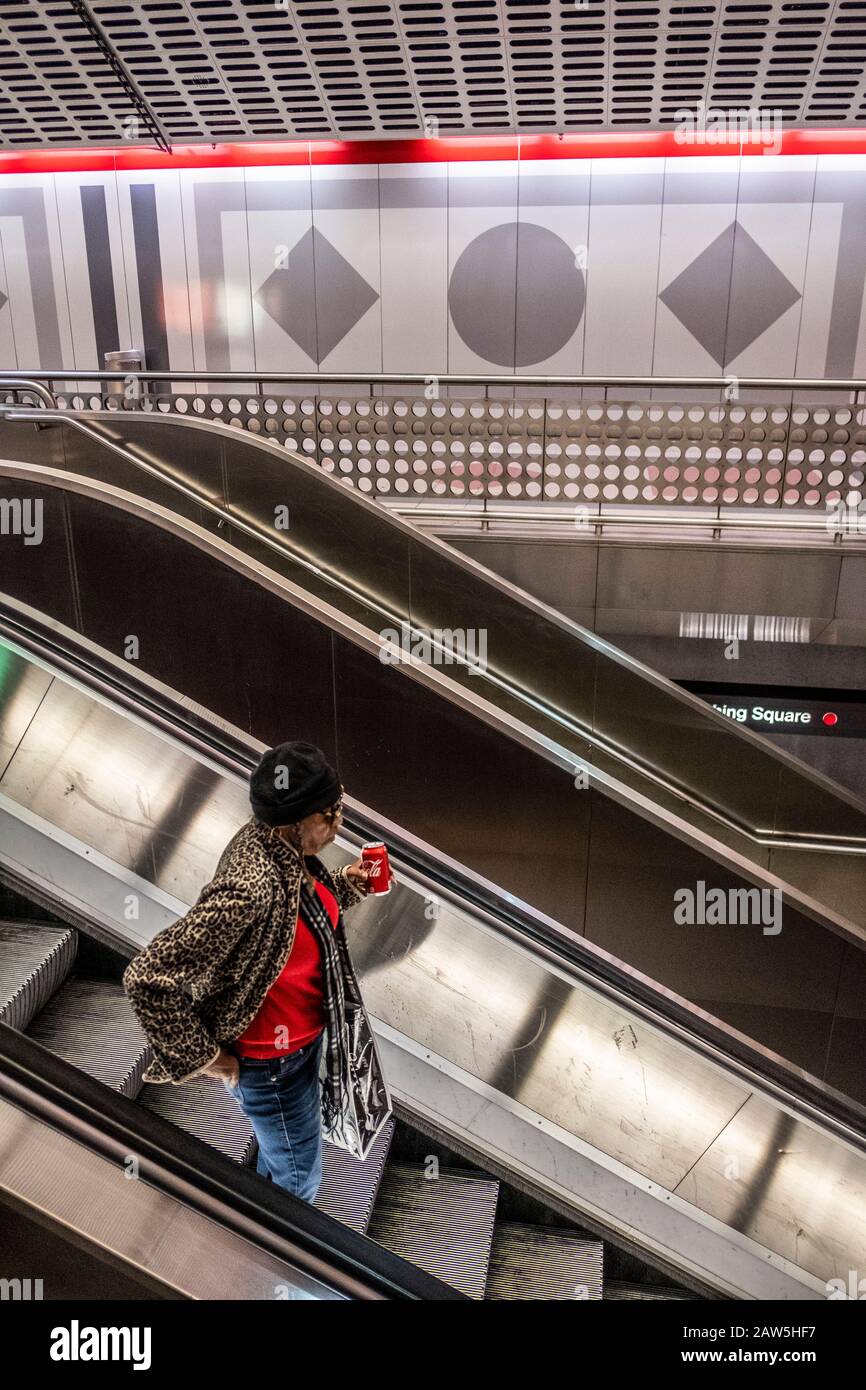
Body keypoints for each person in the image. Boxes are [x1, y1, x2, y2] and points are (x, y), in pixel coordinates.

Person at [123, 740, 390, 1202]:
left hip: (304, 1045)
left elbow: (290, 924)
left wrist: (344, 888)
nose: (338, 822)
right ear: (294, 822)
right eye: (329, 814)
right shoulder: (250, 887)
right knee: (299, 1181)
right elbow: (146, 978)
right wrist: (207, 1058)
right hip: (271, 1068)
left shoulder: (284, 848)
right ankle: (276, 1255)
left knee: (284, 1154)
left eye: (339, 805)